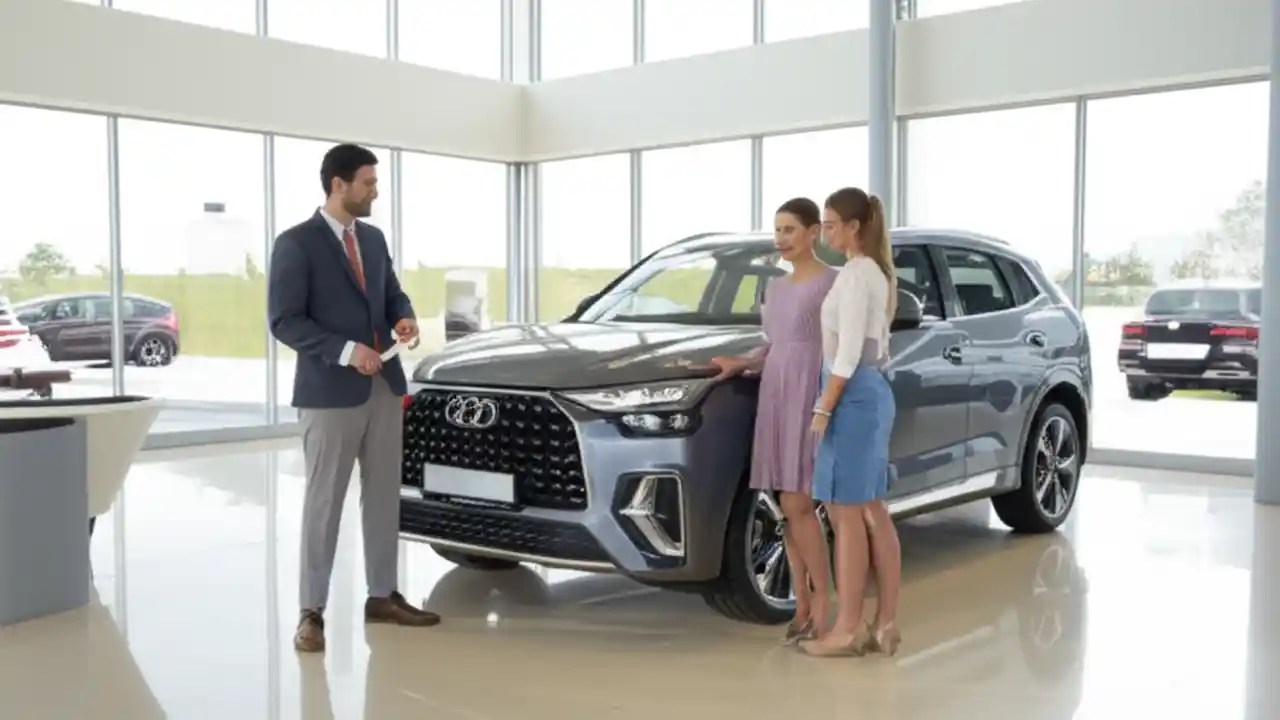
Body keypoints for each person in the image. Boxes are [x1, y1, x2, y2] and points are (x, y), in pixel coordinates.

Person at [268, 143, 440, 654]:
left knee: (384, 496)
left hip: (384, 387)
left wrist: (402, 316)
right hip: (329, 394)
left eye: (375, 181)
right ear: (337, 184)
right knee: (325, 504)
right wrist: (347, 351)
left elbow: (391, 292)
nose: (374, 190)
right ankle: (311, 612)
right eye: (367, 182)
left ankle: (382, 596)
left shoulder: (373, 237)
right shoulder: (295, 244)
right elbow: (285, 321)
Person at [710, 197, 837, 643]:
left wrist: (831, 400)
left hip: (813, 392)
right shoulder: (777, 289)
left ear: (814, 232)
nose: (781, 238)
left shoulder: (832, 283)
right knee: (786, 505)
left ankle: (822, 602)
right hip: (778, 391)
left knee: (800, 503)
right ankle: (801, 603)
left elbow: (841, 346)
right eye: (777, 230)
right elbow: (776, 346)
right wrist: (741, 364)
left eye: (789, 229)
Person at [800, 187, 902, 658]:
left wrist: (825, 403)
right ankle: (884, 624)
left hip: (853, 393)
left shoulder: (859, 275)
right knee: (871, 510)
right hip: (869, 390)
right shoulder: (868, 272)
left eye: (831, 223)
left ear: (855, 227)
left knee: (845, 515)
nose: (825, 231)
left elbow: (849, 352)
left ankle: (847, 628)